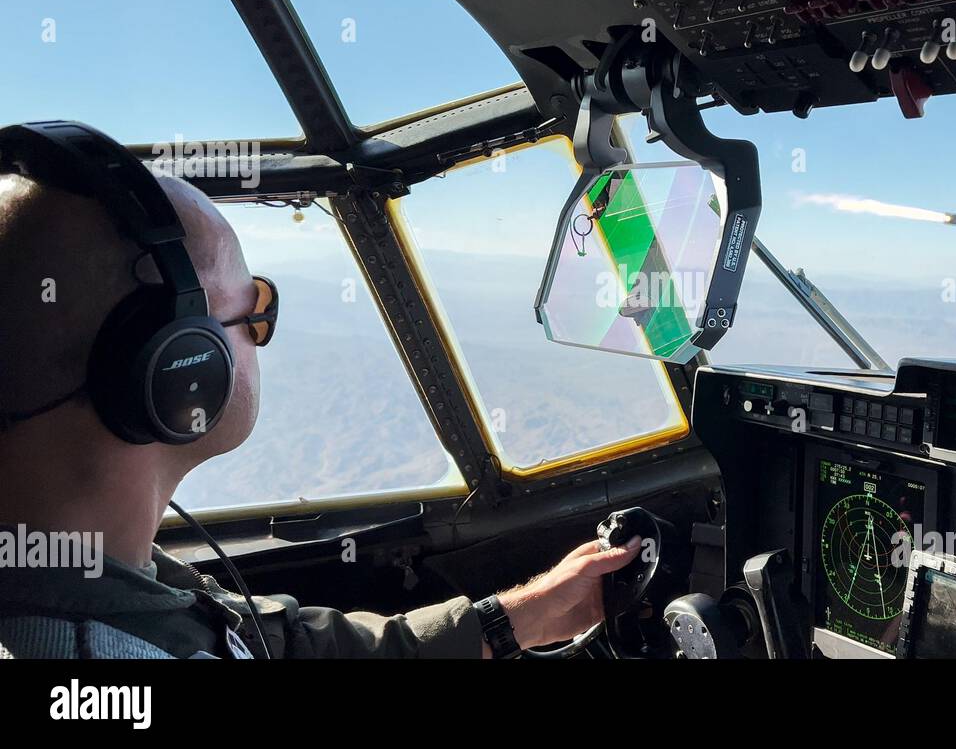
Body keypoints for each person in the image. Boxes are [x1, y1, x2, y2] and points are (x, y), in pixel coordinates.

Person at [0, 137, 639, 659]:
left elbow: (267, 643)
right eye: (252, 307)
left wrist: (507, 622)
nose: (262, 332)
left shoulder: (96, 570)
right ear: (178, 367)